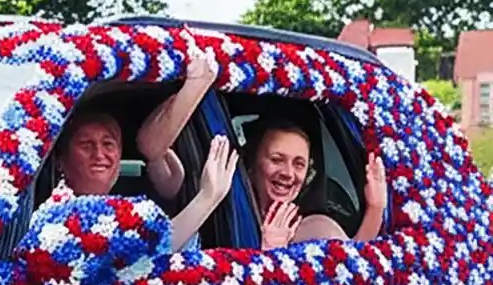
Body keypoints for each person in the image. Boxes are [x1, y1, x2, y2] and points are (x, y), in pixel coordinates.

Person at [52, 48, 230, 249]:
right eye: (86, 144)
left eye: (108, 144)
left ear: (119, 156)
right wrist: (208, 197)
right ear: (61, 160)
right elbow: (141, 256)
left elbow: (168, 180)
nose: (99, 154)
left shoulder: (137, 209)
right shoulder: (54, 215)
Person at [243, 120, 387, 249]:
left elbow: (351, 266)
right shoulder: (229, 213)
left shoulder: (316, 227)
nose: (288, 173)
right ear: (251, 165)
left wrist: (375, 207)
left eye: (298, 164)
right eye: (276, 160)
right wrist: (270, 250)